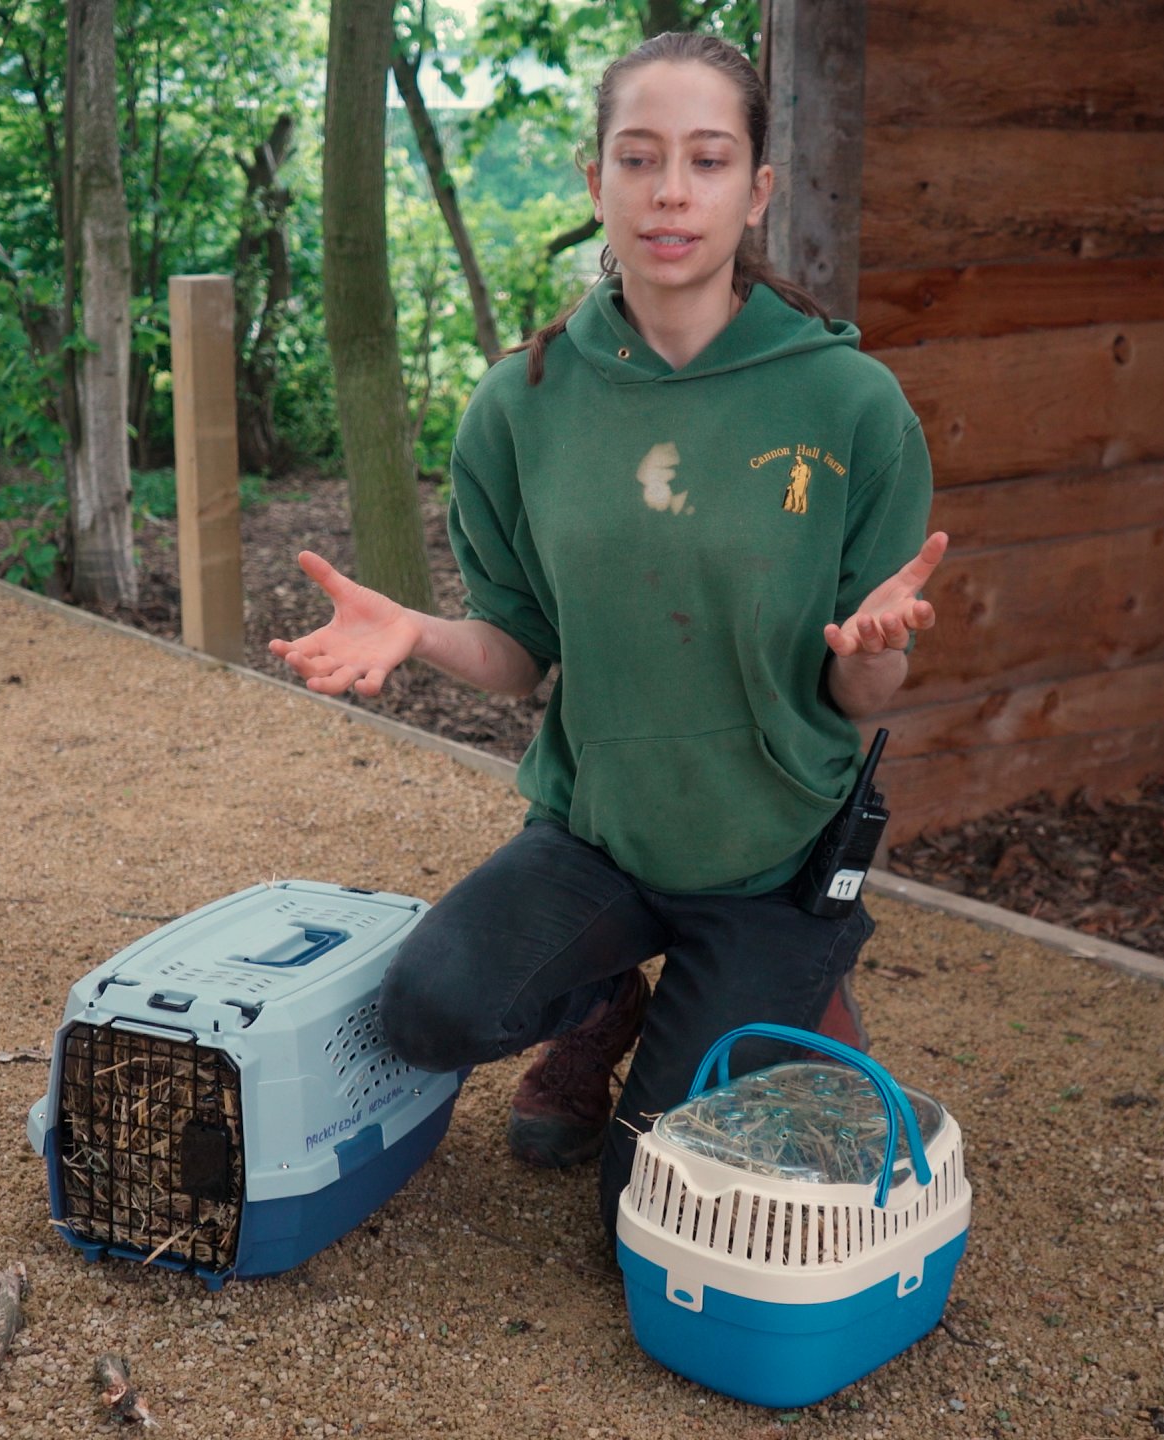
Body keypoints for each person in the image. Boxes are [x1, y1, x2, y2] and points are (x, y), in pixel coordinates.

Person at [271, 30, 944, 1232]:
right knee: (426, 1009)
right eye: (638, 159)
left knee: (648, 1211)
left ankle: (797, 981)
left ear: (756, 190)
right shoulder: (519, 405)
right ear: (596, 183)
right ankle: (605, 1004)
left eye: (705, 159)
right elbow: (519, 653)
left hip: (772, 856)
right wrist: (421, 632)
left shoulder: (851, 406)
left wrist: (876, 650)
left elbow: (864, 705)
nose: (670, 192)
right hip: (600, 836)